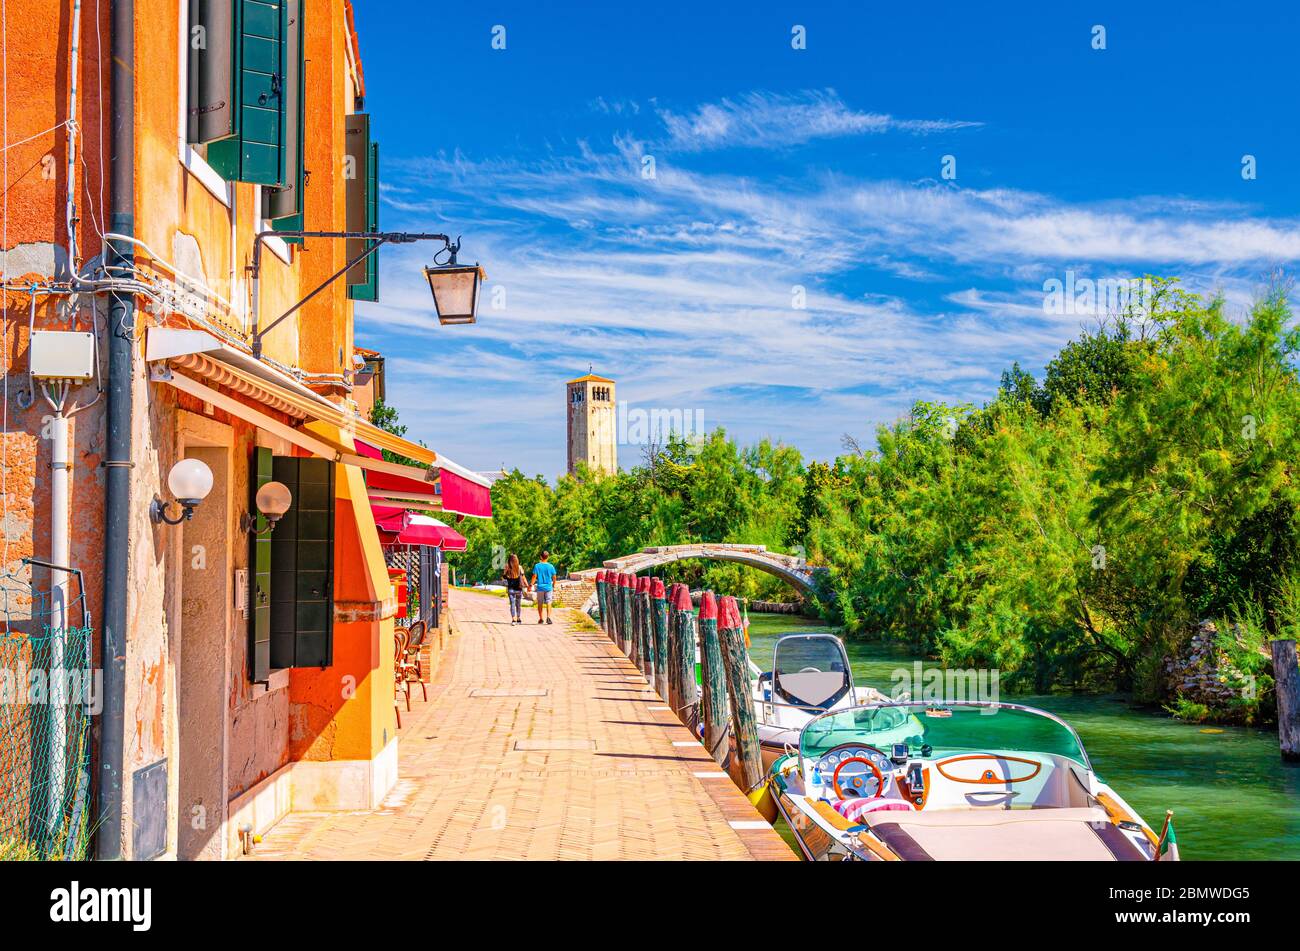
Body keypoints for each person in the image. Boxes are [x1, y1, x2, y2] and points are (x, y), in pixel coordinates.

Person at [501, 554, 529, 625]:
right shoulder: (519, 567)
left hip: (510, 589)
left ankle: (513, 619)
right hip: (518, 588)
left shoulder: (507, 567)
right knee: (518, 604)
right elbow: (523, 577)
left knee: (512, 604)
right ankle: (518, 618)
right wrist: (527, 585)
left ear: (509, 560)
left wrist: (505, 572)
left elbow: (503, 577)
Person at [530, 551, 557, 624]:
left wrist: (531, 585)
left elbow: (534, 576)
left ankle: (541, 618)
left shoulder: (537, 566)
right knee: (549, 602)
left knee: (540, 603)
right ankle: (548, 617)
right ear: (548, 557)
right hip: (548, 587)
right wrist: (554, 584)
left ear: (541, 557)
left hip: (540, 588)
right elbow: (554, 577)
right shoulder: (551, 566)